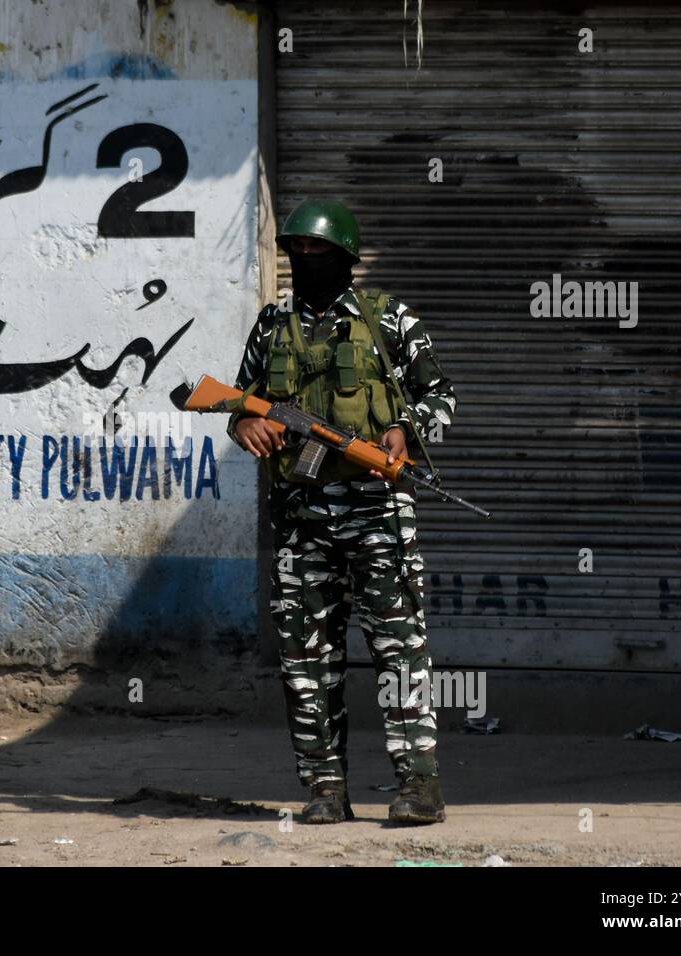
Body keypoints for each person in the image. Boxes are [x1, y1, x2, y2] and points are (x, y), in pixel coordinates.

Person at [226, 199, 457, 825]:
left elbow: (441, 396)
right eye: (296, 252)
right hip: (301, 516)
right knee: (306, 655)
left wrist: (408, 430)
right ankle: (325, 788)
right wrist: (245, 421)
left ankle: (418, 786)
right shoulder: (273, 324)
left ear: (346, 258)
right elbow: (241, 401)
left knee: (398, 647)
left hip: (379, 511)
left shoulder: (390, 320)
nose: (306, 261)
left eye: (318, 252)